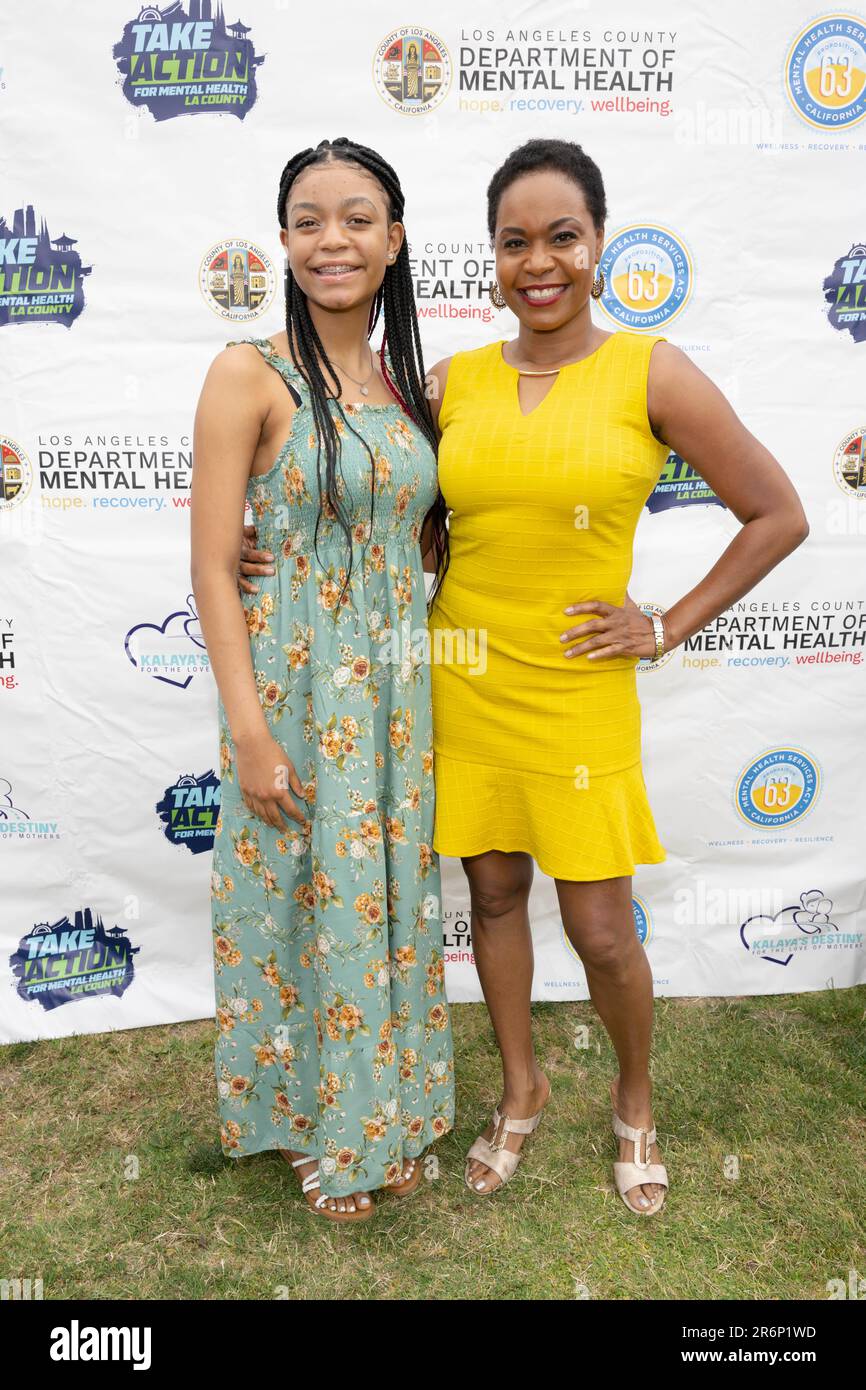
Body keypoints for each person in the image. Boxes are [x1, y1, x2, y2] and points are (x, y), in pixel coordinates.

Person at [239, 137, 809, 1217]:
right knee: (491, 894)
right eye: (513, 242)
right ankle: (519, 1088)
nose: (536, 262)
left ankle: (634, 1098)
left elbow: (776, 512)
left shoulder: (651, 369)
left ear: (597, 245)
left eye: (560, 237)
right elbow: (363, 492)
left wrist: (665, 623)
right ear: (489, 257)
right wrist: (243, 545)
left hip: (579, 687)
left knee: (600, 928)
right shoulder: (450, 383)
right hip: (459, 673)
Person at [191, 137, 454, 1223]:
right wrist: (249, 731)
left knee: (381, 899)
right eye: (308, 219)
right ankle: (309, 1119)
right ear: (284, 240)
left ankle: (381, 1103)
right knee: (291, 902)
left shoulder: (409, 386)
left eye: (356, 218)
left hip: (394, 696)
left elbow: (420, 540)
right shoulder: (246, 372)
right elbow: (212, 563)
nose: (330, 238)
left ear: (393, 243)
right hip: (293, 693)